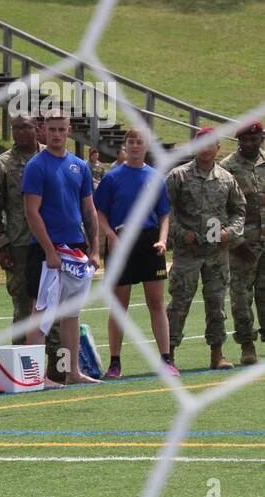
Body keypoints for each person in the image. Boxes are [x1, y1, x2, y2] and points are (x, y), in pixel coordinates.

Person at [22, 112, 102, 386]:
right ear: (43, 131)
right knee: (41, 312)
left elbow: (89, 209)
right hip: (47, 250)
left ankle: (72, 372)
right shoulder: (36, 166)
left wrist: (94, 249)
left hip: (76, 248)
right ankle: (35, 377)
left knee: (71, 313)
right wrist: (49, 250)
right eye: (52, 129)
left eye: (61, 129)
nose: (56, 134)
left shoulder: (80, 166)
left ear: (69, 131)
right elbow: (32, 212)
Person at [93, 127, 175, 377]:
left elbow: (164, 214)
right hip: (120, 240)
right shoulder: (112, 177)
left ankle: (166, 360)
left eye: (140, 142)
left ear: (146, 146)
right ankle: (115, 362)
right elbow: (100, 212)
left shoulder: (156, 177)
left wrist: (162, 240)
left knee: (156, 302)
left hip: (149, 242)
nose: (136, 146)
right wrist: (110, 235)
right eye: (132, 142)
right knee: (120, 304)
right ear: (125, 146)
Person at [166, 128, 246, 371]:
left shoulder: (226, 178)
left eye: (211, 144)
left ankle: (217, 353)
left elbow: (239, 211)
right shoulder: (178, 176)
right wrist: (181, 234)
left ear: (218, 148)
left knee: (217, 305)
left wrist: (229, 233)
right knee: (179, 304)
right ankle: (168, 355)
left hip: (216, 254)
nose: (206, 148)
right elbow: (163, 210)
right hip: (187, 253)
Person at [0, 115, 42, 341]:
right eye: (15, 128)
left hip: (53, 242)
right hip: (20, 245)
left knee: (55, 311)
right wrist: (0, 246)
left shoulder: (50, 156)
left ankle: (57, 370)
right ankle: (23, 369)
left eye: (26, 127)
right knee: (23, 310)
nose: (20, 132)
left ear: (37, 128)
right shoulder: (2, 164)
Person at [219, 122, 264, 365]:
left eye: (253, 140)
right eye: (243, 140)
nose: (248, 144)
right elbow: (218, 209)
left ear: (261, 139)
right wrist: (235, 240)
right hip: (242, 245)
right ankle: (247, 345)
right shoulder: (227, 168)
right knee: (241, 297)